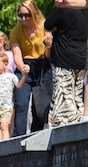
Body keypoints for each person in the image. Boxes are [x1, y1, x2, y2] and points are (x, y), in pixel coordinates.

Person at [44, 0, 88, 128]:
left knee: (64, 93)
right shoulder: (85, 11)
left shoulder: (62, 10)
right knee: (76, 94)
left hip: (63, 58)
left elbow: (47, 25)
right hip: (81, 58)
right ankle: (79, 117)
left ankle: (68, 123)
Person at [11, 0, 51, 136]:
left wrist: (48, 45)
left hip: (42, 65)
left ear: (33, 13)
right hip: (25, 66)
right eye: (20, 15)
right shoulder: (16, 31)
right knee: (21, 104)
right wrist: (22, 67)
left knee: (38, 106)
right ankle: (18, 138)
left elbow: (48, 54)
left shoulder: (44, 27)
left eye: (26, 15)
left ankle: (36, 136)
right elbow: (16, 54)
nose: (23, 18)